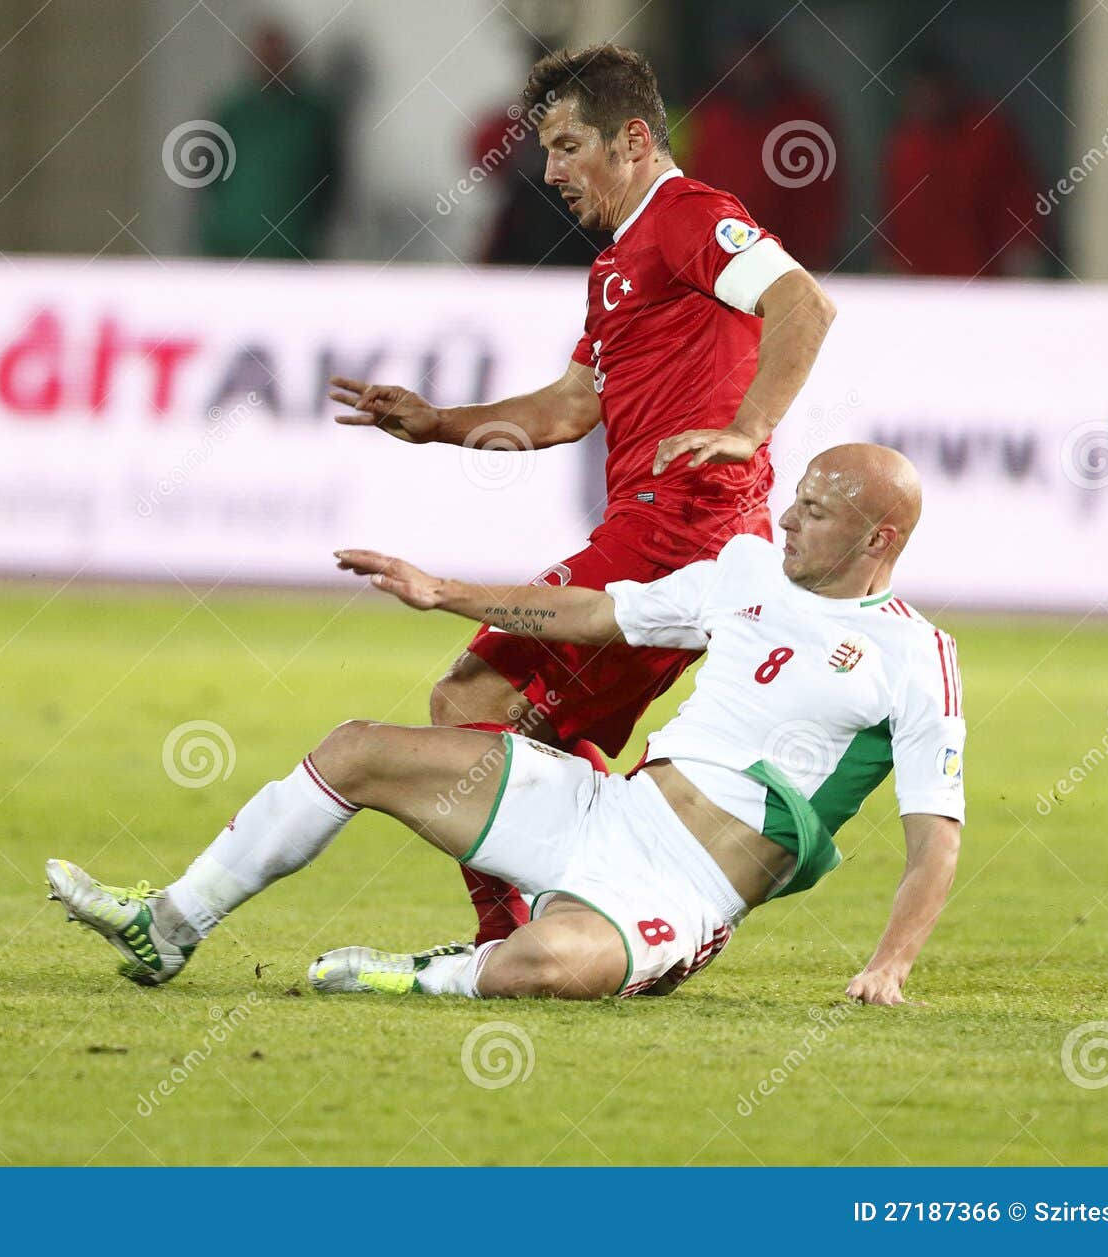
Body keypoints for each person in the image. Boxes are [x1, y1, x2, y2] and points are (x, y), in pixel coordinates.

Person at [45, 445, 963, 1006]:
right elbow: (595, 613)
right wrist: (444, 592)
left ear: (879, 538)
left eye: (817, 509)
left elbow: (935, 841)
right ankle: (170, 923)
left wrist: (889, 966)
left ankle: (419, 973)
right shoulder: (746, 572)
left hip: (686, 893)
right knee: (358, 748)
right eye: (794, 496)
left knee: (547, 967)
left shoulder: (915, 658)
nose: (790, 517)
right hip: (605, 811)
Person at [328, 43, 837, 945]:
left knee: (470, 699)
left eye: (567, 146)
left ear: (633, 138)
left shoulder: (689, 217)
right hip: (657, 532)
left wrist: (751, 426)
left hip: (683, 532)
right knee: (535, 740)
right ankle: (662, 889)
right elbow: (570, 407)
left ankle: (510, 939)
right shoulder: (617, 265)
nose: (550, 169)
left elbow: (804, 304)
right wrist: (440, 422)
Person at [683, 31, 842, 270]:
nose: (748, 68)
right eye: (740, 57)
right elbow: (694, 186)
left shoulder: (804, 116)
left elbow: (820, 196)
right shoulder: (710, 116)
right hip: (720, 259)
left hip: (791, 260)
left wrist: (813, 255)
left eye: (755, 58)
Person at [880, 51, 1042, 277]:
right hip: (919, 287)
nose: (925, 100)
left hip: (981, 283)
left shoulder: (988, 134)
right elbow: (896, 223)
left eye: (931, 91)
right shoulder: (905, 147)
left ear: (949, 88)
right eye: (917, 93)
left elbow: (1018, 204)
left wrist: (1022, 266)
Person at [197, 20, 340, 260]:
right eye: (263, 54)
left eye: (278, 54)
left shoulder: (314, 117)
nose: (271, 62)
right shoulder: (231, 112)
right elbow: (207, 174)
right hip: (230, 249)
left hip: (291, 250)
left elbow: (330, 181)